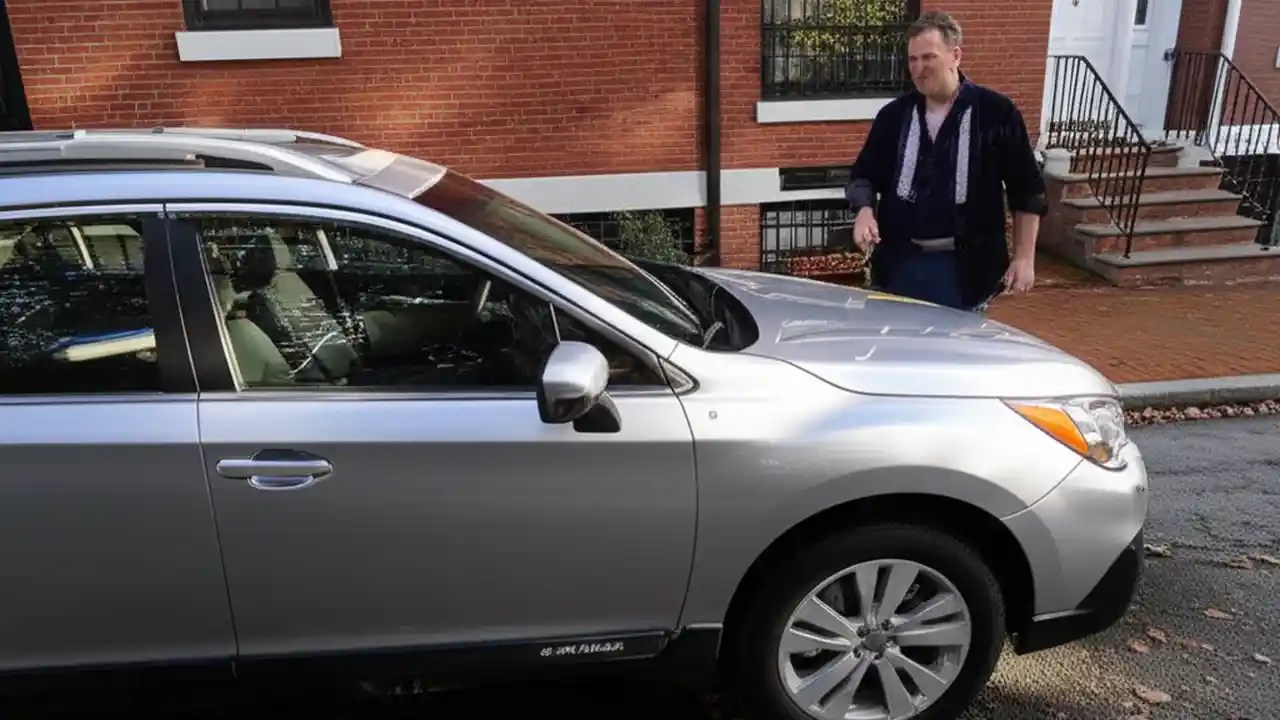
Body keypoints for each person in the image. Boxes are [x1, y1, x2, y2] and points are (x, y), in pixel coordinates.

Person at [845, 10, 1047, 312]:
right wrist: (863, 212)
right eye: (913, 60)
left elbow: (1027, 192)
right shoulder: (894, 117)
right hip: (899, 266)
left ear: (955, 55)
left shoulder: (996, 113)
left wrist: (1024, 258)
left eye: (928, 58)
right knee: (896, 352)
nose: (919, 68)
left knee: (954, 355)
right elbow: (863, 175)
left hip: (964, 271)